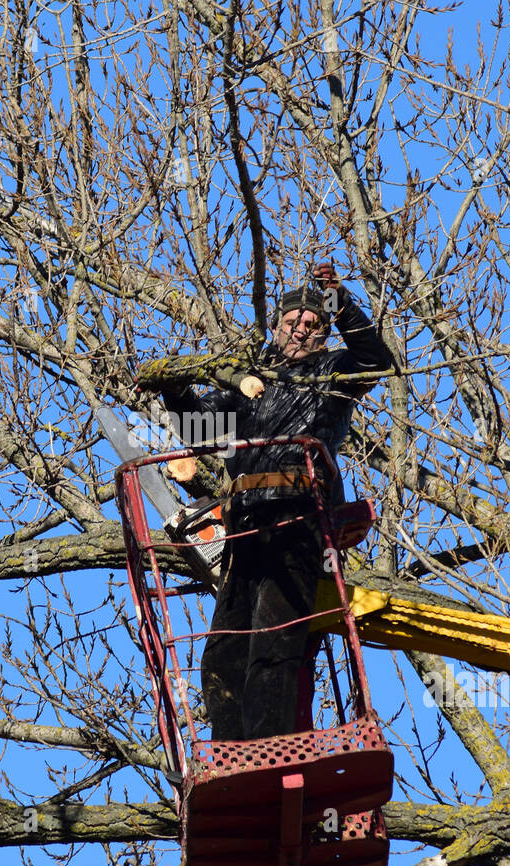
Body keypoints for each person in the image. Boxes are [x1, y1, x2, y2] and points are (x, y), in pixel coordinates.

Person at [155, 262, 393, 741]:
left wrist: (338, 300)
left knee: (272, 641)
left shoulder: (333, 372)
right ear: (277, 327)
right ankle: (228, 752)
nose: (301, 328)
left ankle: (269, 748)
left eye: (313, 324)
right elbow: (197, 429)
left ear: (324, 335)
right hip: (246, 523)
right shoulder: (251, 385)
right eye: (293, 321)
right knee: (222, 651)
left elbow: (377, 362)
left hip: (298, 517)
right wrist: (175, 387)